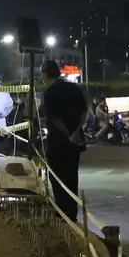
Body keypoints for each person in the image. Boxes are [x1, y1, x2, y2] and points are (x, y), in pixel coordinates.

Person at [40, 60, 88, 222]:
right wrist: (75, 132)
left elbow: (54, 119)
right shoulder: (73, 88)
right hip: (75, 143)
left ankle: (62, 214)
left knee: (57, 178)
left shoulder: (49, 93)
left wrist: (67, 134)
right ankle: (72, 214)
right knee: (72, 178)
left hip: (58, 143)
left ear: (45, 74)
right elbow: (84, 112)